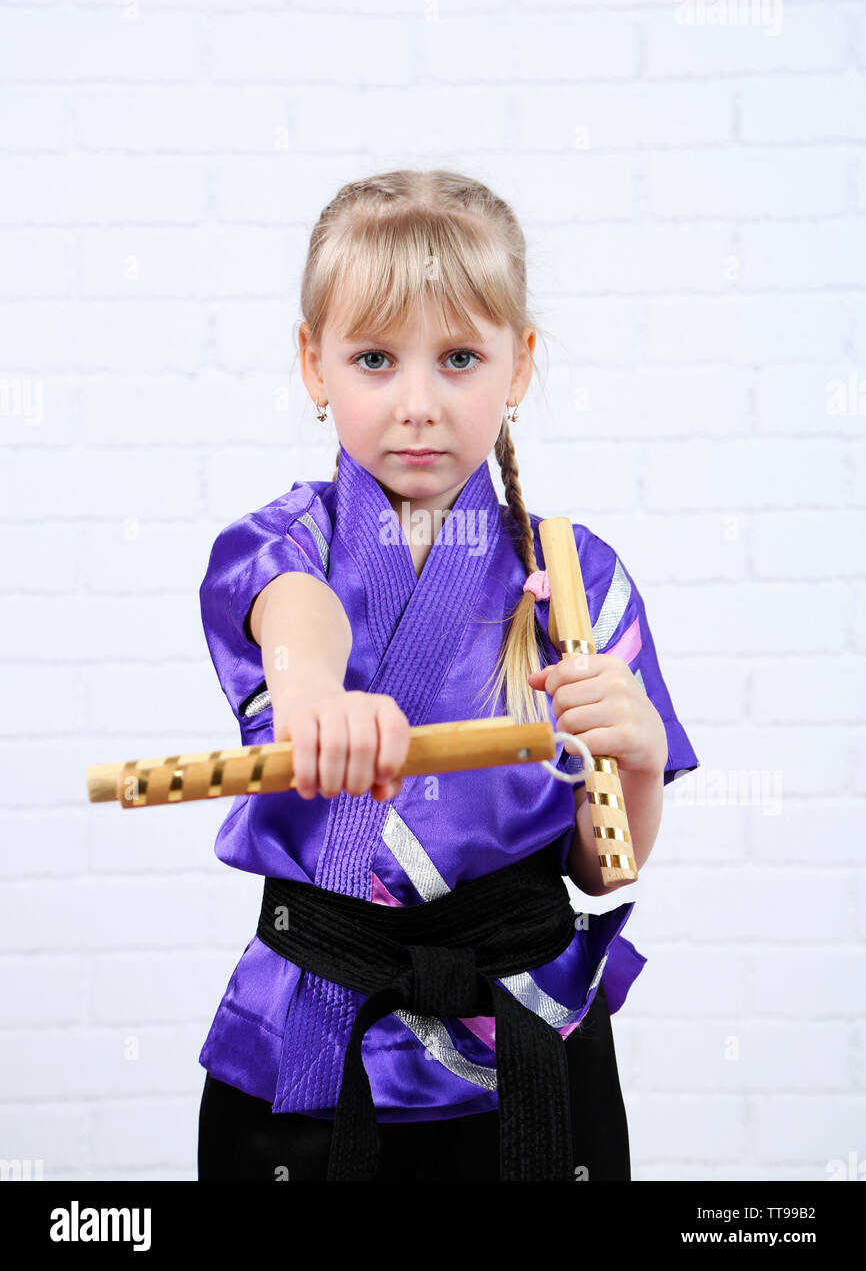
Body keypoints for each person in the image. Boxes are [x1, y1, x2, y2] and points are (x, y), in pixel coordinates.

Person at [196, 169, 699, 1182]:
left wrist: (637, 759)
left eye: (458, 358)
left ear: (516, 366)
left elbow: (604, 870)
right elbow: (296, 628)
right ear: (313, 364)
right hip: (322, 1042)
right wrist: (313, 703)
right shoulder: (277, 550)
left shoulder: (573, 577)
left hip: (528, 1048)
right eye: (374, 358)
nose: (416, 405)